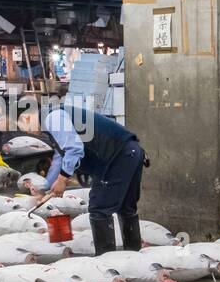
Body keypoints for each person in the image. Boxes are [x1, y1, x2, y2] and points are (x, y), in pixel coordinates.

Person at [34, 102, 148, 254]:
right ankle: (133, 257)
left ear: (28, 117)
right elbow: (61, 158)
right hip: (131, 153)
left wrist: (62, 179)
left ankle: (106, 263)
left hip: (117, 157)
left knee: (99, 209)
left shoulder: (52, 118)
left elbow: (74, 148)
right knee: (126, 208)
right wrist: (47, 187)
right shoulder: (58, 117)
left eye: (21, 124)